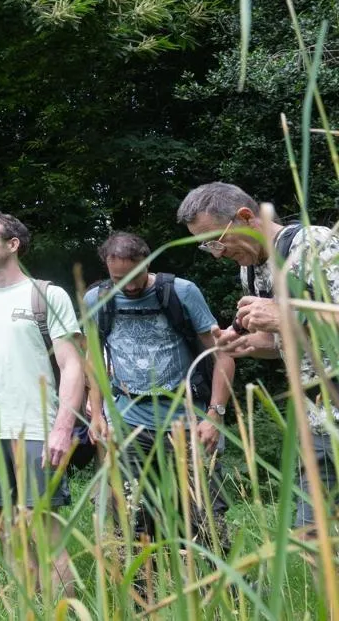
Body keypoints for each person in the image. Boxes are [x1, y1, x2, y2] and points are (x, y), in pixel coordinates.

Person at [178, 182, 339, 528]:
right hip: (316, 422)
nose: (216, 252)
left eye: (216, 240)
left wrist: (286, 317)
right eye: (205, 246)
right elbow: (300, 343)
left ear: (246, 217)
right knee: (312, 539)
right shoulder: (249, 267)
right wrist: (253, 345)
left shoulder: (314, 246)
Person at [0, 212, 83, 595]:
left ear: (13, 245)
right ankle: (23, 608)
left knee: (43, 526)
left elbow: (72, 365)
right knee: (6, 526)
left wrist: (62, 428)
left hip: (36, 428)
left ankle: (62, 610)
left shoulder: (46, 294)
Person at [83, 231, 234, 546]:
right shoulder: (97, 299)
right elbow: (93, 358)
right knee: (133, 519)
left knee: (203, 518)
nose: (131, 285)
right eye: (120, 278)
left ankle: (225, 591)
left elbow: (222, 353)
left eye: (136, 275)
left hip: (185, 420)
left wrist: (215, 414)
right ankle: (144, 593)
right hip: (128, 423)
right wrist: (96, 412)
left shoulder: (181, 292)